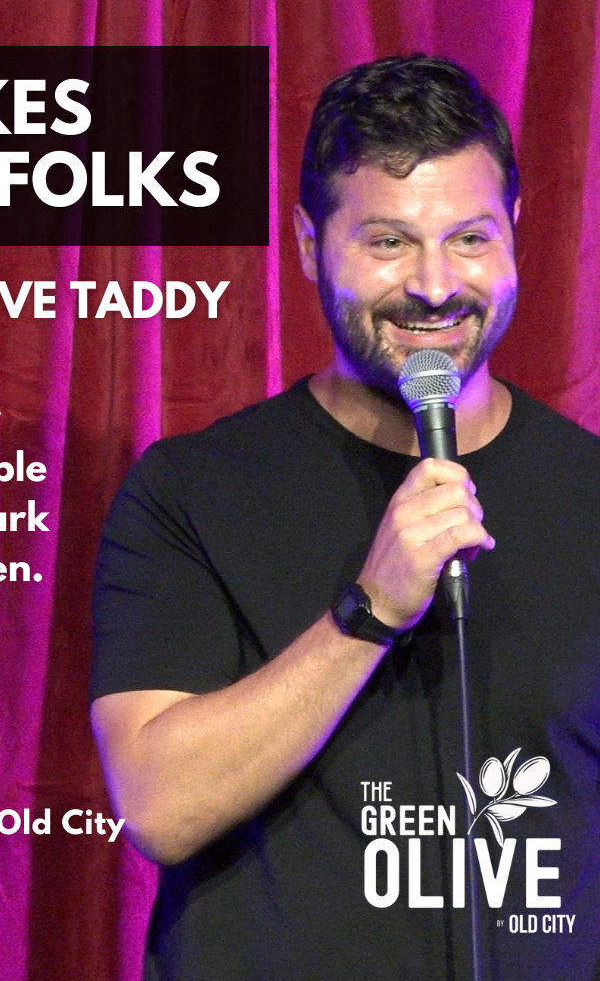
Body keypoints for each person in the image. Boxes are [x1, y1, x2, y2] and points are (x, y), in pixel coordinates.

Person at [90, 55, 600, 981]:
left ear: (515, 233)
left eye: (471, 238)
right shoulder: (191, 492)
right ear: (308, 243)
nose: (435, 285)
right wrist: (369, 612)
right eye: (389, 242)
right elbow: (160, 805)